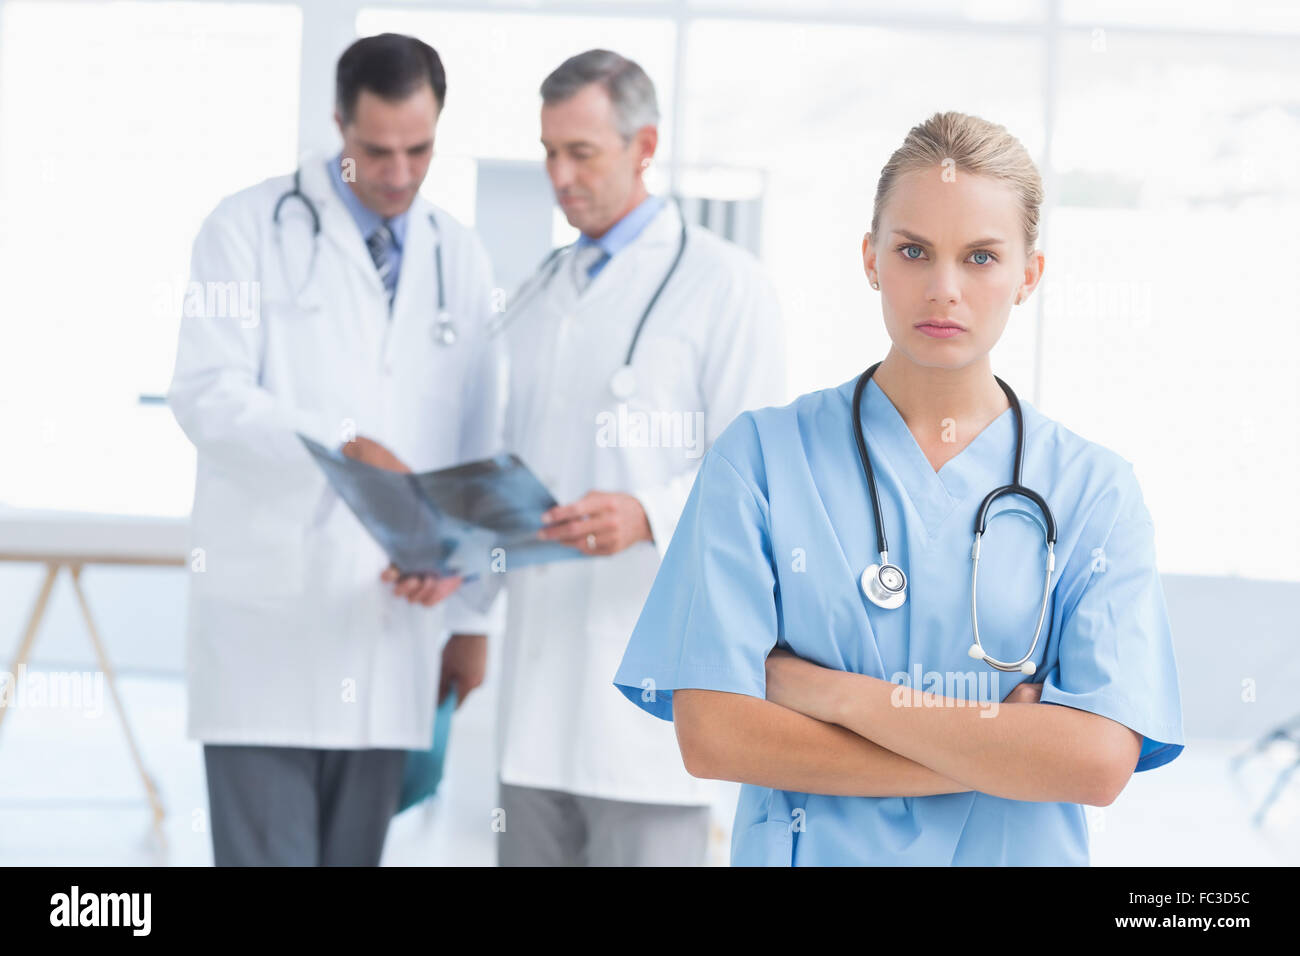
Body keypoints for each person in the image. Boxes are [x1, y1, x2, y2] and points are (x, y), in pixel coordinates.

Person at [613, 110, 1185, 866]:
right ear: (871, 258)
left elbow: (1096, 761)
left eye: (981, 257)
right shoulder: (759, 459)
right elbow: (715, 735)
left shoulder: (1093, 492)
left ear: (1029, 276)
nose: (943, 289)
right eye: (914, 250)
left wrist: (831, 695)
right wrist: (1000, 746)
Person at [393, 49, 785, 866]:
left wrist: (649, 513)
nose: (560, 176)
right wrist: (455, 569)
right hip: (534, 706)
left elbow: (759, 478)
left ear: (644, 147)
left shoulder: (726, 285)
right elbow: (506, 470)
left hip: (645, 711)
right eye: (548, 152)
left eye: (582, 153)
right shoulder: (539, 293)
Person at [167, 33, 500, 866]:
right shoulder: (245, 228)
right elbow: (206, 395)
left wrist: (465, 604)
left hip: (394, 628)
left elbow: (475, 444)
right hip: (270, 635)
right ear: (337, 126)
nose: (397, 172)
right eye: (375, 150)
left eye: (418, 150)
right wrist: (344, 442)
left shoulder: (456, 254)